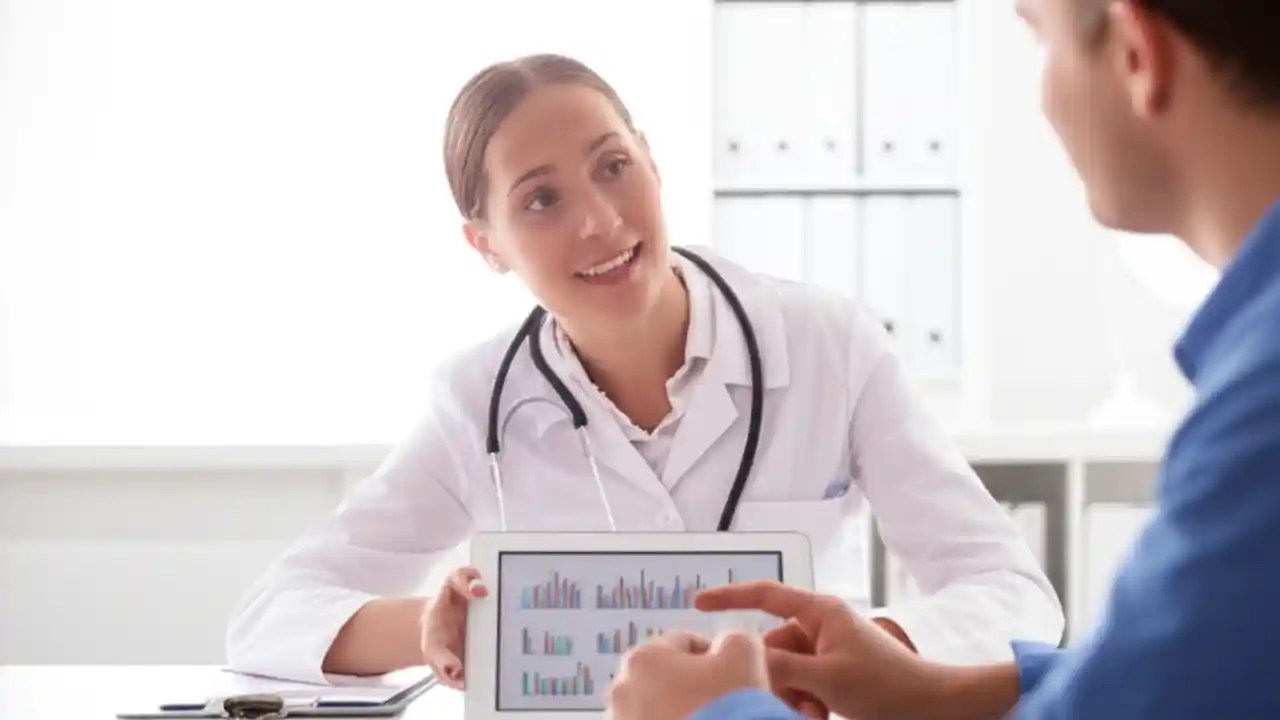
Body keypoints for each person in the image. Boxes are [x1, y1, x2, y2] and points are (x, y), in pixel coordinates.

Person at [225, 53, 1062, 687]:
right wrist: (436, 627)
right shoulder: (474, 401)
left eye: (613, 165)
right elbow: (269, 616)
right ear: (486, 246)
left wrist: (859, 645)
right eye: (541, 200)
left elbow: (1011, 591)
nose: (599, 219)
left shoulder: (826, 344)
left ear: (651, 162)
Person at [606, 0, 1280, 717]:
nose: (1044, 104)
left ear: (1140, 54)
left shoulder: (1261, 411)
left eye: (1041, 42)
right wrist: (941, 692)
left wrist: (716, 712)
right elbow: (1192, 678)